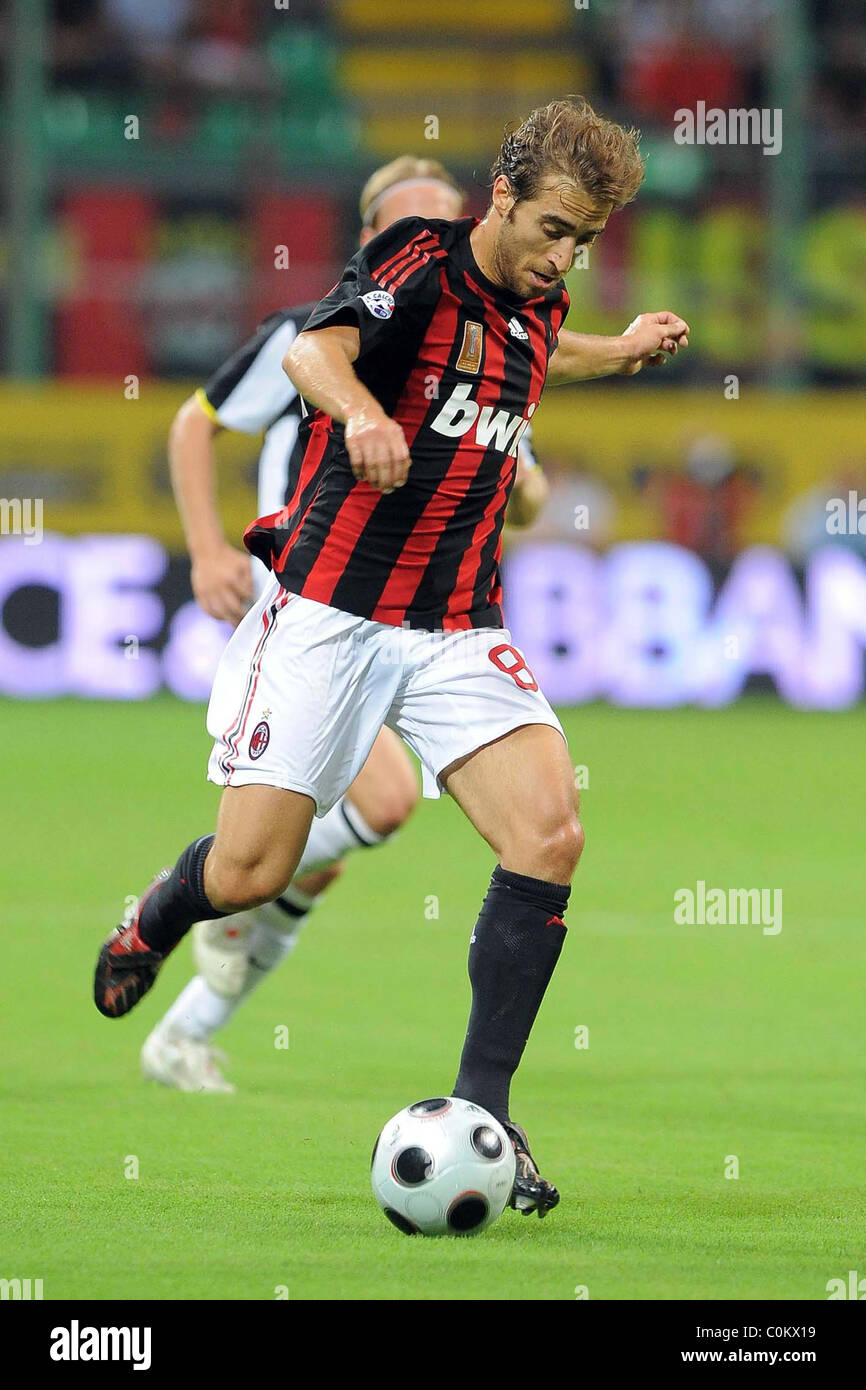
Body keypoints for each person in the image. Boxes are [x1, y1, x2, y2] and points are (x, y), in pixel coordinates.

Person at [95, 96, 689, 1216]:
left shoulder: (536, 299)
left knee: (550, 833)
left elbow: (541, 352)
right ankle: (161, 912)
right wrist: (363, 412)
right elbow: (316, 349)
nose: (562, 256)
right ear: (501, 195)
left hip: (458, 624)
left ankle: (489, 1116)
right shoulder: (414, 263)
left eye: (584, 242)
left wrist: (626, 351)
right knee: (249, 872)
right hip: (327, 613)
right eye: (552, 227)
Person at [141, 156, 553, 1093]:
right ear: (372, 239)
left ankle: (191, 1020)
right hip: (313, 603)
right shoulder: (314, 330)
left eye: (438, 222)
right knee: (375, 806)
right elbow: (193, 422)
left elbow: (524, 499)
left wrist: (521, 482)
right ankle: (219, 924)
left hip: (424, 615)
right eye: (403, 224)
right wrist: (208, 548)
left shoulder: (492, 344)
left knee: (329, 838)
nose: (423, 241)